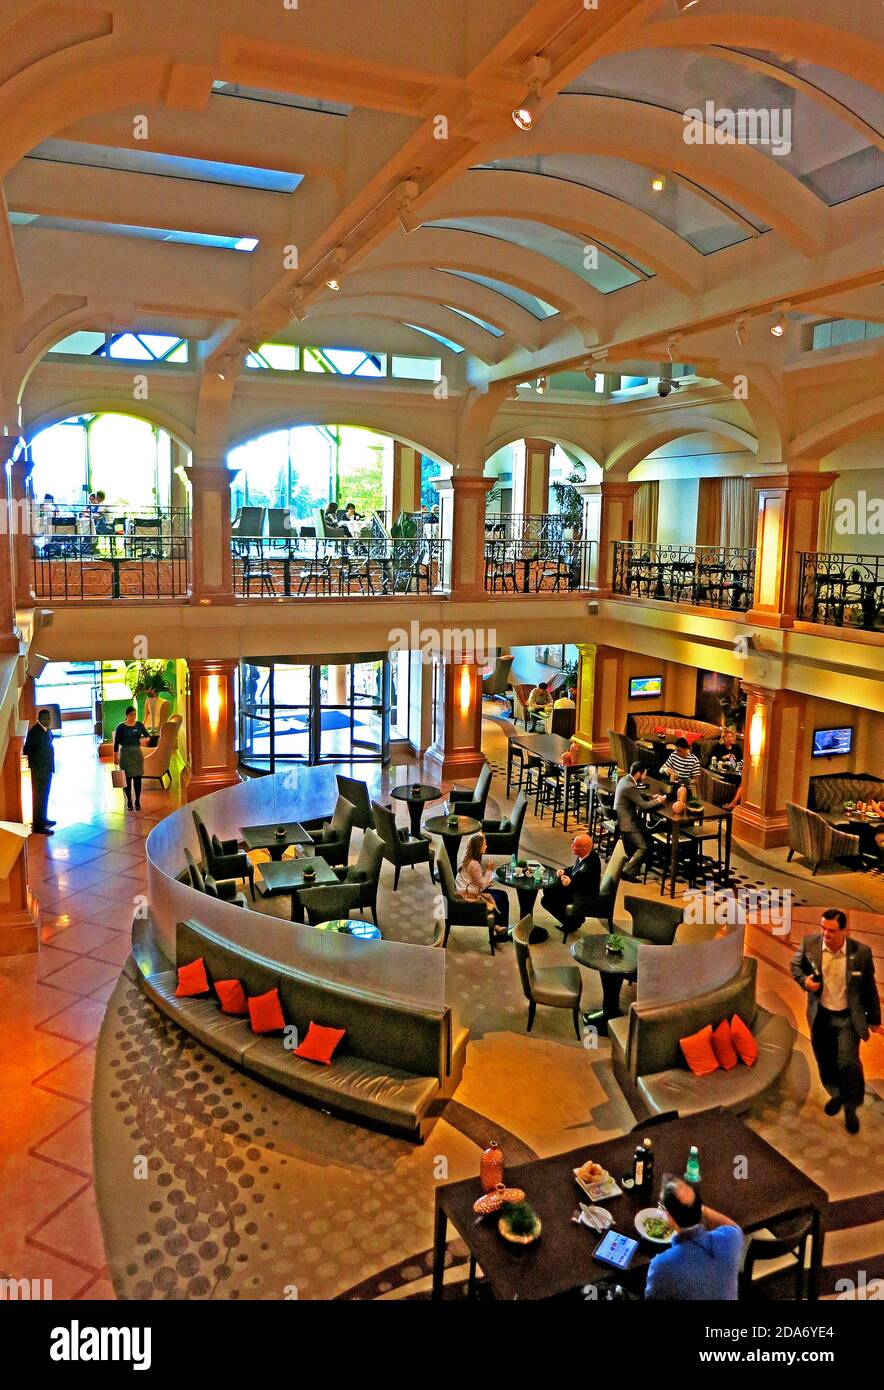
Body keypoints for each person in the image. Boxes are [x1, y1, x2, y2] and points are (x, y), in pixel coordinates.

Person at [790, 908, 882, 1135]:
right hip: (820, 1016)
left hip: (847, 1019)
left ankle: (851, 1105)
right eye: (823, 928)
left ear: (845, 930)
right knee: (826, 1061)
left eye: (831, 930)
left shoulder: (860, 953)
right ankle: (836, 1094)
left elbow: (869, 988)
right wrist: (805, 982)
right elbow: (795, 966)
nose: (826, 934)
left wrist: (874, 1019)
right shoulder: (810, 944)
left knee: (848, 1062)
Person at [644, 1177, 743, 1301]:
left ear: (670, 1219)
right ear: (700, 1208)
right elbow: (731, 1224)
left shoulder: (662, 1265)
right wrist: (692, 1204)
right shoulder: (731, 1238)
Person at [614, 761, 667, 881]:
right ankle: (627, 871)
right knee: (643, 847)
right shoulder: (630, 786)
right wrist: (659, 801)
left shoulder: (625, 780)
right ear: (638, 774)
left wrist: (651, 796)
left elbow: (636, 792)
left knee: (647, 833)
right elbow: (645, 806)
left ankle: (641, 864)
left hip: (622, 818)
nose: (645, 777)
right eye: (644, 775)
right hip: (627, 823)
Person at [455, 833, 509, 941]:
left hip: (464, 890)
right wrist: (489, 870)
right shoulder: (474, 864)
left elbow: (478, 880)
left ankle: (496, 926)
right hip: (469, 895)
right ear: (478, 848)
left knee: (501, 894)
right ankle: (501, 936)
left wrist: (486, 878)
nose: (486, 846)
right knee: (502, 896)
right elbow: (483, 885)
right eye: (484, 845)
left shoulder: (467, 859)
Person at [540, 832, 601, 924]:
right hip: (578, 886)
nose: (572, 846)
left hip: (583, 895)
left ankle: (572, 922)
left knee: (546, 898)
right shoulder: (586, 853)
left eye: (575, 845)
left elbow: (584, 886)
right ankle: (573, 919)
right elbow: (574, 867)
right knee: (549, 890)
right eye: (573, 842)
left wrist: (569, 883)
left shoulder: (588, 867)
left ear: (584, 849)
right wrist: (564, 871)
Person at [23, 709, 56, 835]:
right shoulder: (34, 732)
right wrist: (35, 769)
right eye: (44, 719)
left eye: (48, 719)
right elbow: (27, 751)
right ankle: (38, 825)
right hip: (38, 772)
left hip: (47, 770)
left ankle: (43, 818)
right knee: (38, 798)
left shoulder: (48, 731)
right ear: (39, 719)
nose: (47, 721)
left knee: (45, 796)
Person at [113, 706, 150, 811]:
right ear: (126, 715)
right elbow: (116, 743)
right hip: (125, 754)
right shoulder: (121, 727)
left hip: (137, 754)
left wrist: (145, 740)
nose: (133, 717)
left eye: (134, 714)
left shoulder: (139, 725)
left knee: (138, 778)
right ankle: (129, 800)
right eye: (131, 715)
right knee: (127, 779)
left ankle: (137, 800)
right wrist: (115, 757)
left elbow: (147, 735)